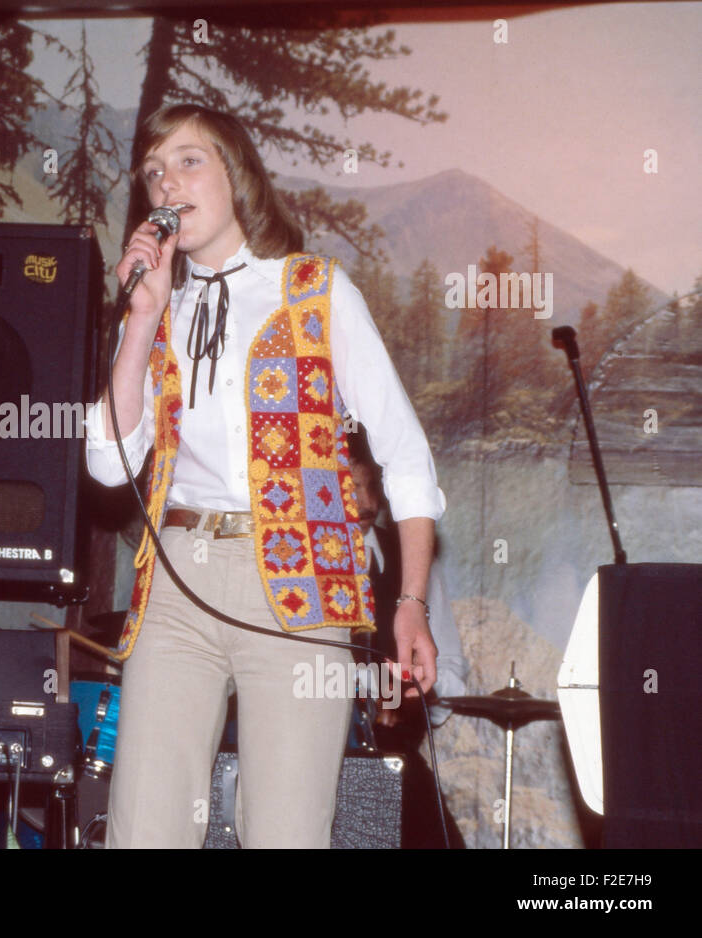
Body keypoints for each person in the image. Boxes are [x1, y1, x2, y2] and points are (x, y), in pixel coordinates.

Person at [83, 104, 446, 848]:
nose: (167, 183)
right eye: (154, 171)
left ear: (235, 174)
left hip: (300, 582)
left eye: (188, 161)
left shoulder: (313, 290)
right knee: (142, 827)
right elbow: (104, 463)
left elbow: (405, 453)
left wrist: (409, 602)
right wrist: (142, 320)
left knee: (285, 829)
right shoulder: (159, 305)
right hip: (178, 580)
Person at [348, 427, 467, 847]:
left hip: (394, 755)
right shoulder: (297, 566)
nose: (365, 502)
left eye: (373, 486)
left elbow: (451, 670)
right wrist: (371, 689)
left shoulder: (415, 566)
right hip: (319, 757)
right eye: (350, 486)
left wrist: (413, 692)